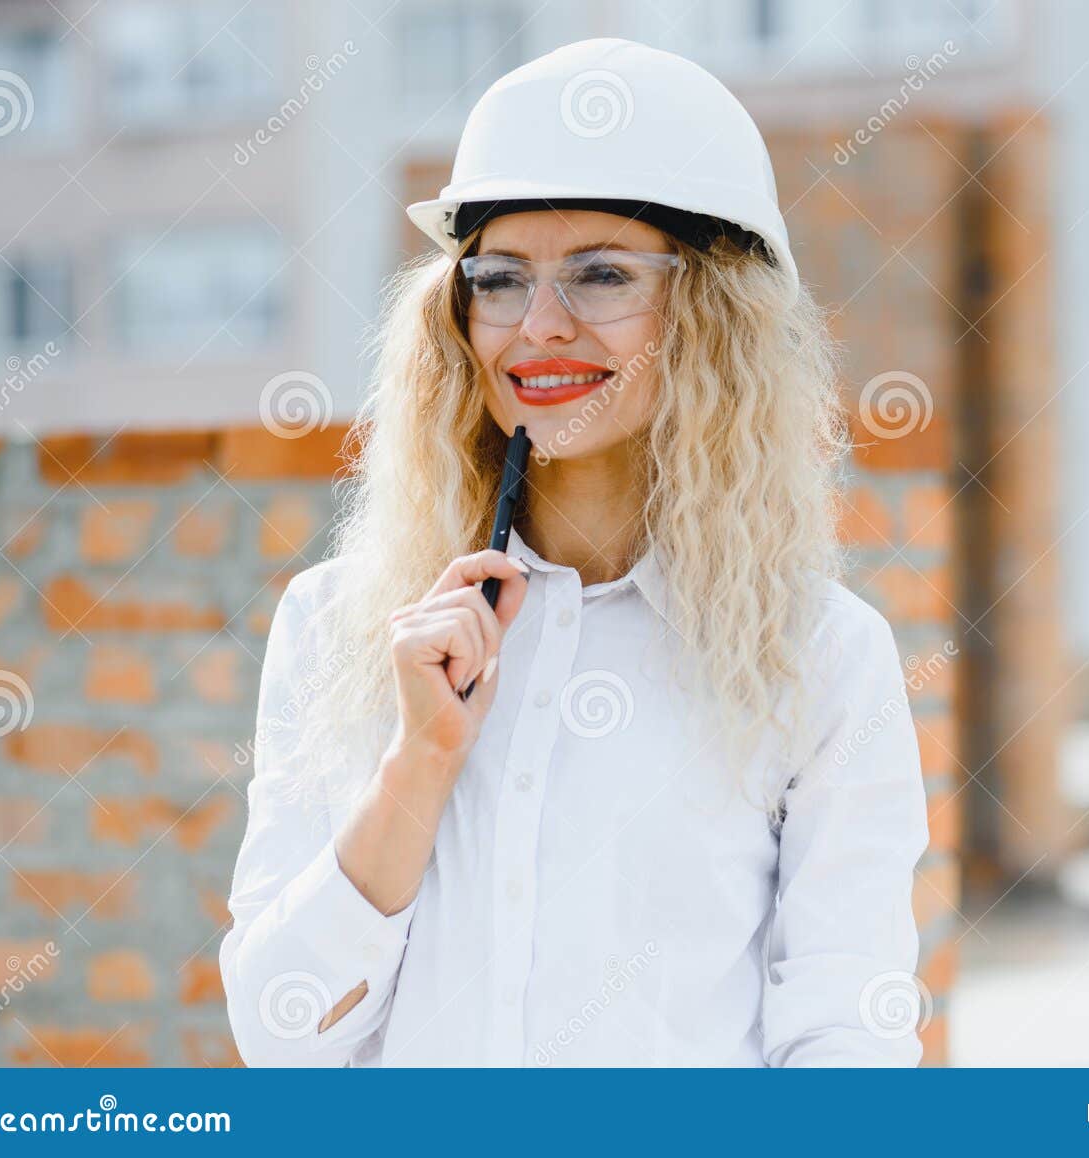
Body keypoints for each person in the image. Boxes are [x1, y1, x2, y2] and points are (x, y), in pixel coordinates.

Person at [218, 37, 930, 1067]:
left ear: (711, 316)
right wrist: (418, 764)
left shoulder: (820, 656)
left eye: (600, 275)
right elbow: (280, 1043)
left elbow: (844, 1042)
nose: (538, 327)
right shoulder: (340, 625)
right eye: (499, 280)